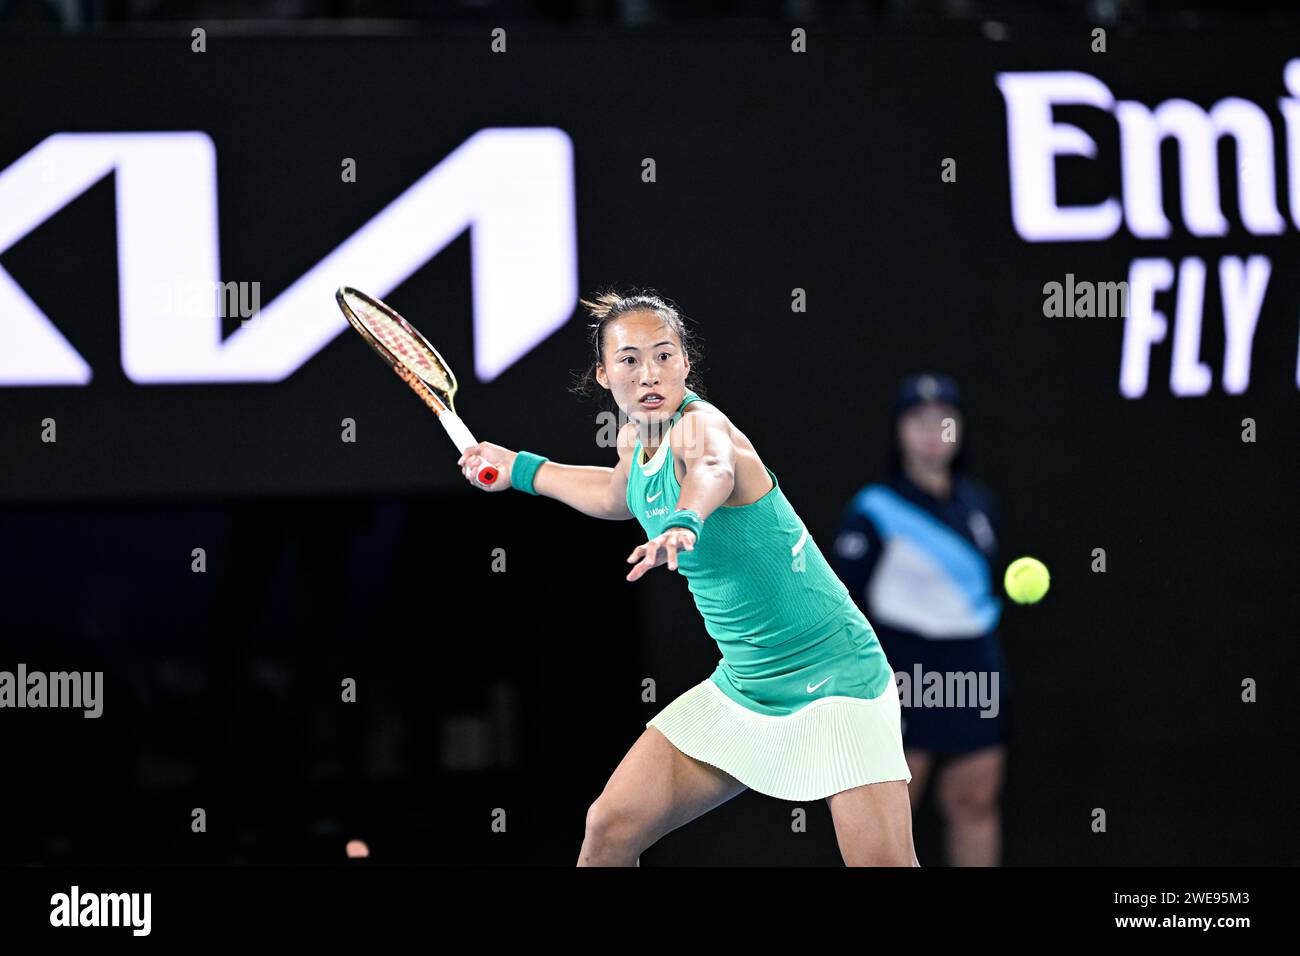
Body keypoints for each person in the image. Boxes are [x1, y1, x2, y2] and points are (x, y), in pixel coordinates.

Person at [456, 290, 917, 866]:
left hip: (835, 675)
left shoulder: (699, 426)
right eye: (629, 359)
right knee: (610, 828)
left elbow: (713, 469)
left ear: (685, 364)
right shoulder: (634, 440)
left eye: (664, 355)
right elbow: (612, 495)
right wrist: (520, 470)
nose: (649, 373)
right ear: (604, 375)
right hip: (746, 685)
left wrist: (685, 520)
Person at [831, 373, 1009, 866]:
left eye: (945, 420)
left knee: (974, 801)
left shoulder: (982, 507)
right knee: (893, 811)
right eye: (919, 421)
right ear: (899, 431)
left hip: (976, 665)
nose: (934, 432)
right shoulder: (872, 509)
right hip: (904, 669)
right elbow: (845, 599)